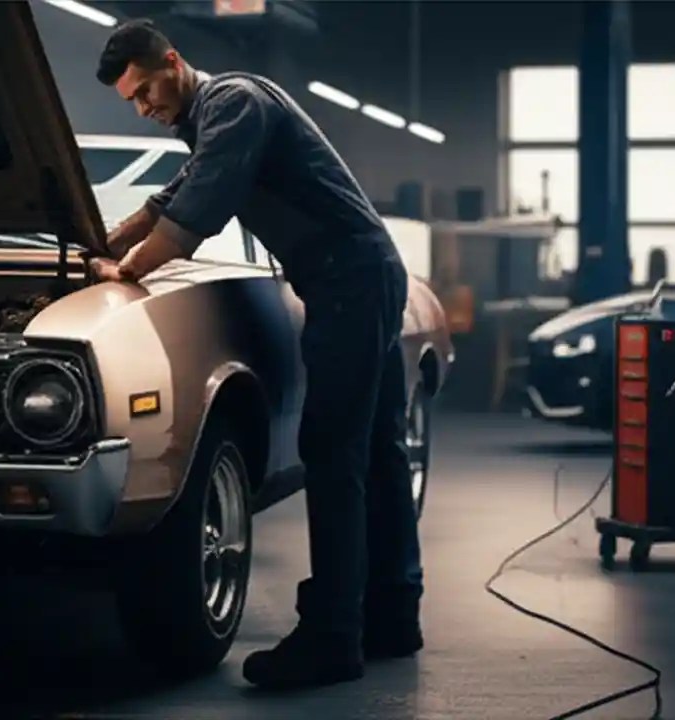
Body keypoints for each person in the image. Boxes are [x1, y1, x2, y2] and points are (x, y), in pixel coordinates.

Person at [92, 19, 424, 691]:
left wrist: (125, 272)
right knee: (380, 451)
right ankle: (393, 616)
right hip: (363, 273)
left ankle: (331, 638)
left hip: (347, 281)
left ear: (174, 62)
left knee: (333, 454)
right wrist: (99, 233)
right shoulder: (212, 118)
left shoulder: (234, 101)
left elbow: (195, 215)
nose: (144, 107)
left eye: (146, 90)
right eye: (131, 101)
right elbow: (169, 197)